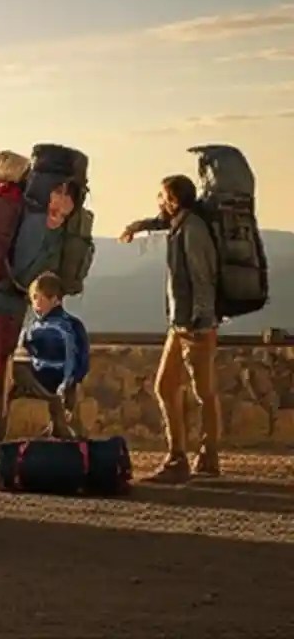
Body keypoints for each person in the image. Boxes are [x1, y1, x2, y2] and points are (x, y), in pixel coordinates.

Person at [0, 180, 78, 461]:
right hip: (2, 304)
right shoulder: (35, 223)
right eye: (58, 191)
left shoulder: (45, 223)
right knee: (1, 369)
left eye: (67, 194)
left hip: (6, 304)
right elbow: (23, 271)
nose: (62, 198)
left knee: (2, 367)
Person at [119, 175, 221, 483]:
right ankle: (193, 457)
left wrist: (200, 322)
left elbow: (203, 277)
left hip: (194, 326)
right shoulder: (181, 223)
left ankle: (195, 458)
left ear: (174, 201)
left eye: (162, 197)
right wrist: (137, 226)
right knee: (170, 387)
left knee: (201, 391)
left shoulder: (193, 230)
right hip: (182, 324)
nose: (159, 202)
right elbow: (161, 221)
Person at [13, 272, 89, 439]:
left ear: (54, 299)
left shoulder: (67, 326)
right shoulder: (32, 326)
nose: (34, 303)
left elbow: (75, 358)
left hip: (52, 379)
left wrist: (67, 383)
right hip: (38, 378)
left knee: (10, 373)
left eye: (37, 297)